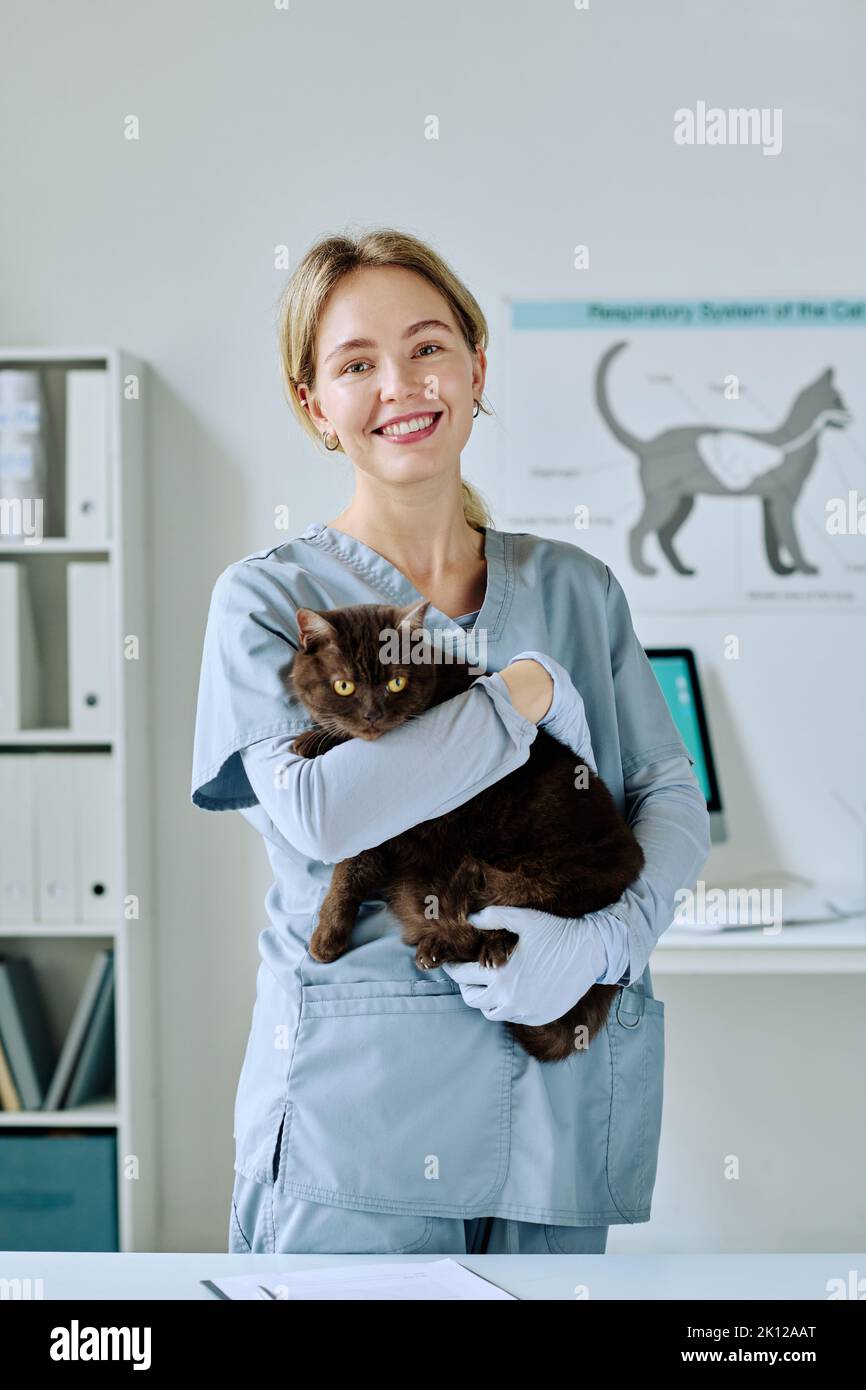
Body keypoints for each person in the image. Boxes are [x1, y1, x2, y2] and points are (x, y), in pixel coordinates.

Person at [190, 227, 711, 1256]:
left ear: (475, 366)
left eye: (428, 347)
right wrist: (518, 696)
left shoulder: (575, 588)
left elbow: (670, 797)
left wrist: (604, 944)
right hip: (357, 1132)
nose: (400, 384)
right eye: (355, 364)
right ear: (314, 405)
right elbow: (323, 811)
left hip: (552, 1119)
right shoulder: (266, 599)